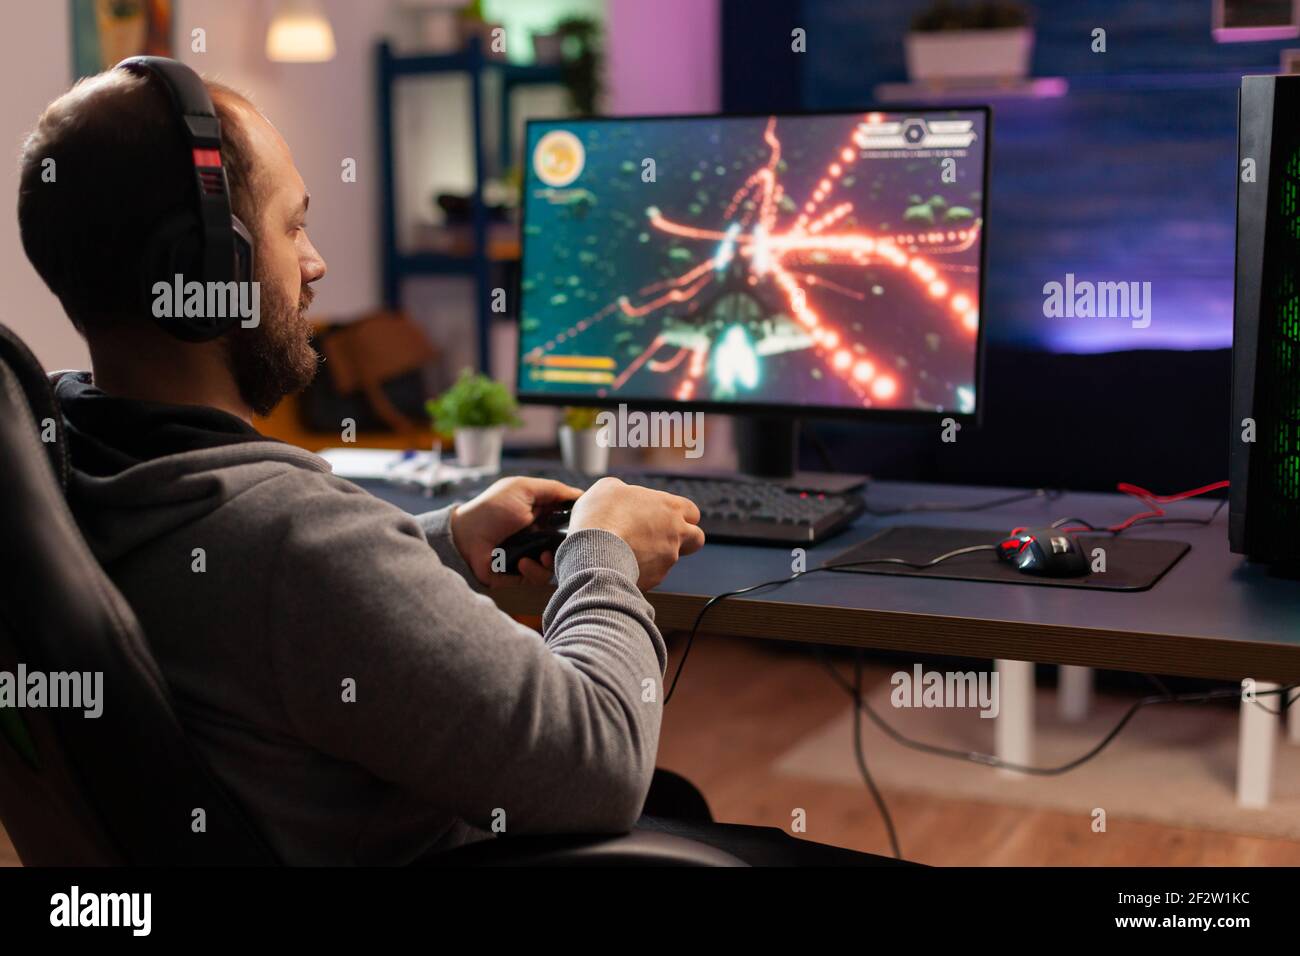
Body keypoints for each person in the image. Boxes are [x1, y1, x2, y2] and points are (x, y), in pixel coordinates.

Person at [17, 61, 895, 867]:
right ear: (209, 266)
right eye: (295, 228)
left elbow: (269, 619)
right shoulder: (291, 539)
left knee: (684, 806)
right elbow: (599, 760)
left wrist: (437, 541)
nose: (318, 263)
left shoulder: (62, 473)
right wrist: (604, 558)